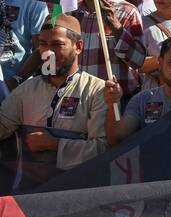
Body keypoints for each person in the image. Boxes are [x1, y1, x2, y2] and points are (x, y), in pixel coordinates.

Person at [0, 15, 108, 180]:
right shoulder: (27, 90)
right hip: (29, 195)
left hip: (78, 192)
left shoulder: (97, 90)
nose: (48, 52)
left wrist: (54, 144)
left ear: (78, 46)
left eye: (57, 45)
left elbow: (104, 149)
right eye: (43, 44)